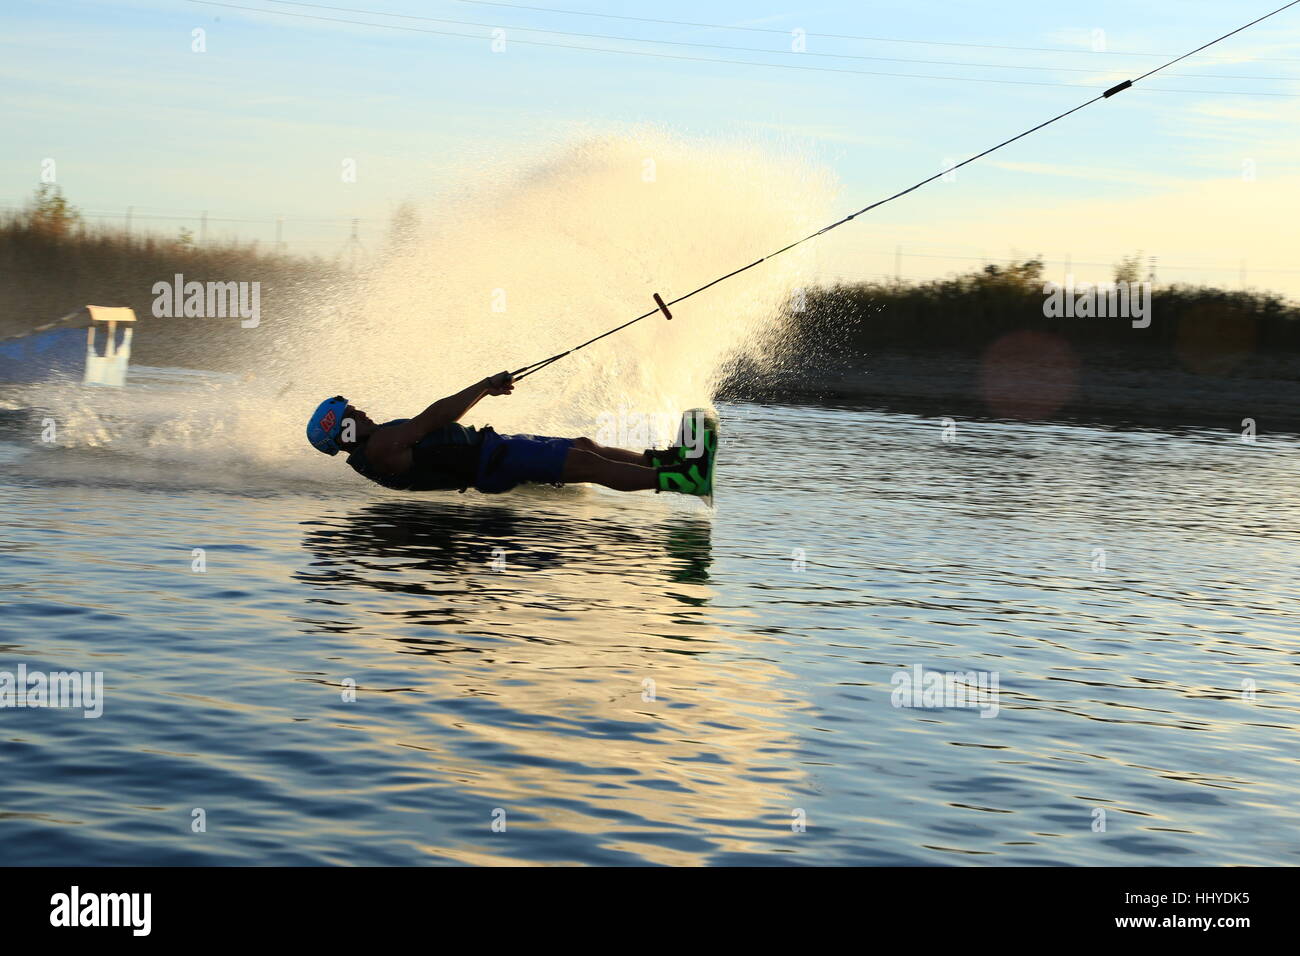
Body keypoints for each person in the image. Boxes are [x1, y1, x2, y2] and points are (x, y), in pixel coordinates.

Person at [305, 371, 714, 497]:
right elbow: (437, 417)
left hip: (495, 449)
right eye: (351, 413)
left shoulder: (371, 452)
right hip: (495, 460)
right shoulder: (380, 447)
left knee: (585, 448)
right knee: (589, 465)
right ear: (342, 430)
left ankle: (663, 463)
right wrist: (485, 385)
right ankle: (682, 480)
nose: (359, 410)